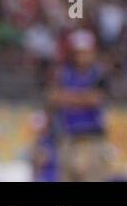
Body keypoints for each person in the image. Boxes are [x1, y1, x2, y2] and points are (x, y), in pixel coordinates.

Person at [48, 30, 112, 181]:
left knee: (94, 176)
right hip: (69, 134)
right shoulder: (64, 73)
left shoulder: (99, 73)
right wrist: (83, 98)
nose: (82, 56)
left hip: (92, 135)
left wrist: (68, 98)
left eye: (85, 52)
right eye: (78, 52)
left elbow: (96, 99)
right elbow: (54, 98)